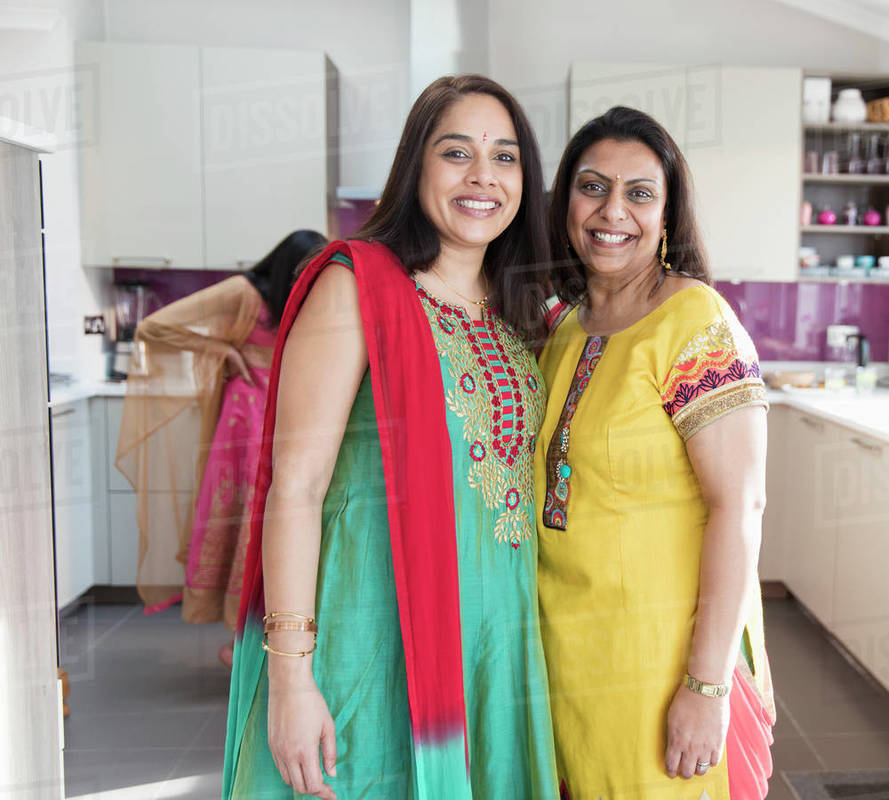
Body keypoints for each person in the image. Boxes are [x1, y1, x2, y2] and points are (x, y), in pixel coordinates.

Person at [221, 75, 558, 800]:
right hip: (369, 634)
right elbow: (298, 486)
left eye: (505, 158)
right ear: (416, 166)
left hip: (493, 650)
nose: (482, 177)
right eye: (456, 152)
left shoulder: (519, 314)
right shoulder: (357, 285)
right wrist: (290, 678)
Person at [535, 106, 776, 800]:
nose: (614, 210)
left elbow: (740, 505)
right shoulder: (564, 327)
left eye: (640, 192)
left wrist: (705, 686)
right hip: (568, 652)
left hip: (659, 660)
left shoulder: (693, 319)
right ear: (565, 202)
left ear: (667, 214)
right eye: (592, 186)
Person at [116, 229, 327, 667]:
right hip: (245, 421)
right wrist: (223, 352)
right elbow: (155, 327)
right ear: (287, 266)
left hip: (283, 416)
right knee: (246, 523)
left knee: (278, 521)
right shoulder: (243, 293)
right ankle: (239, 642)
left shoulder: (303, 295)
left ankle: (260, 641)